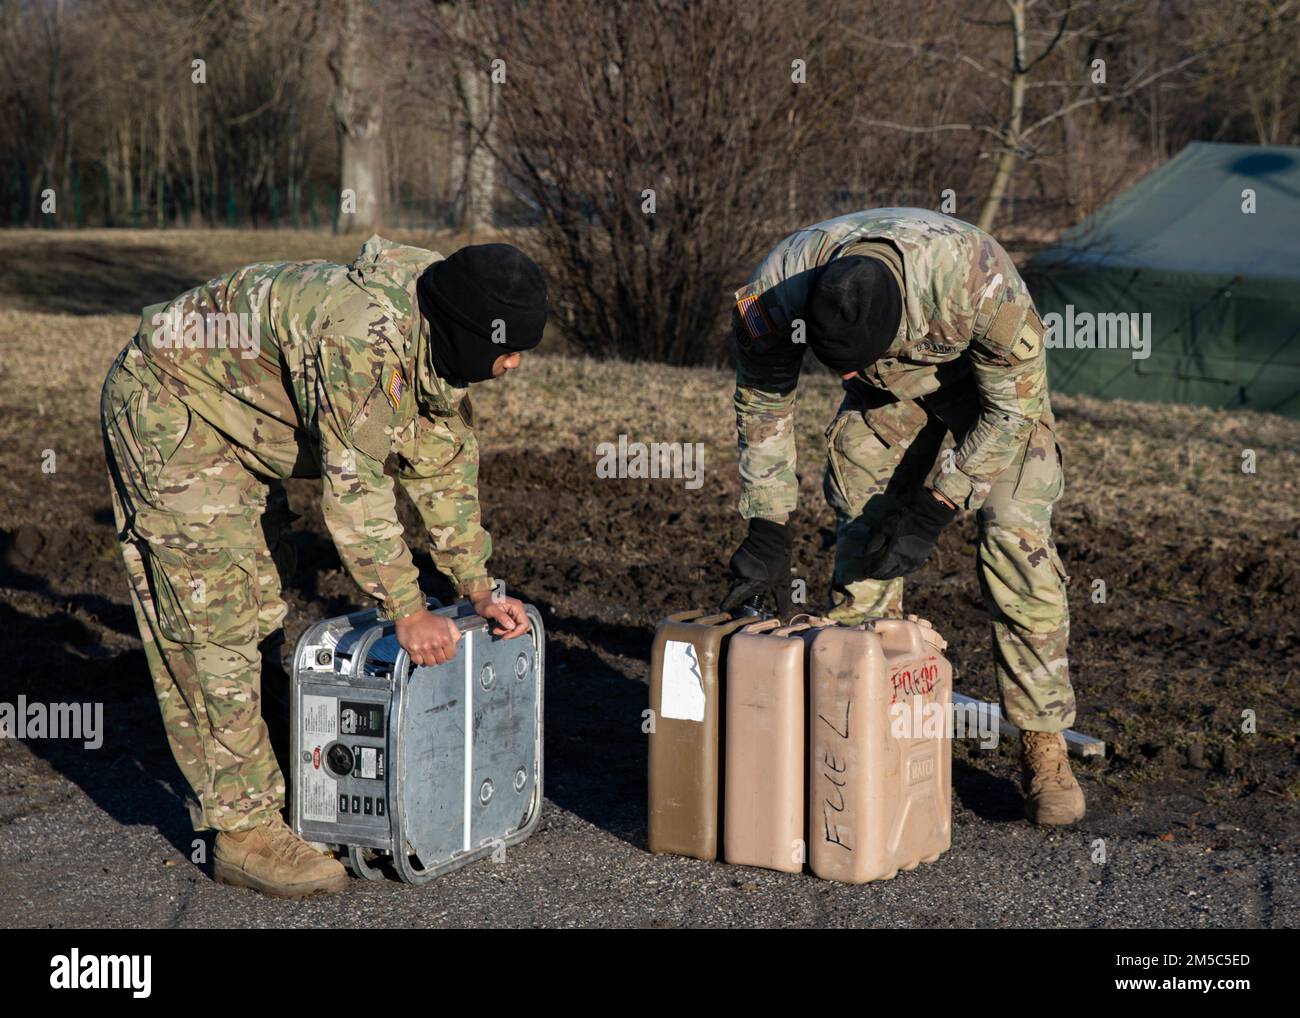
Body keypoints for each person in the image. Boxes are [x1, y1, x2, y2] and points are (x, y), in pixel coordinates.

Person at [101, 236, 547, 896]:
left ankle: (270, 762)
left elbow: (443, 466)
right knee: (212, 615)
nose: (511, 365)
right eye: (507, 349)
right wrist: (408, 609)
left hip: (246, 422)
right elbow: (357, 492)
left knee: (259, 601)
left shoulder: (438, 336)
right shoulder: (362, 340)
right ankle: (243, 830)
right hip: (173, 406)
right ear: (467, 332)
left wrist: (478, 587)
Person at [722, 208, 1084, 826]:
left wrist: (936, 506)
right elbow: (763, 401)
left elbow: (1010, 414)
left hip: (994, 401)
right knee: (863, 502)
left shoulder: (976, 281)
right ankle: (857, 707)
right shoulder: (778, 288)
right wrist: (767, 523)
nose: (839, 375)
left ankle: (1043, 742)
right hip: (888, 397)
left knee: (1012, 536)